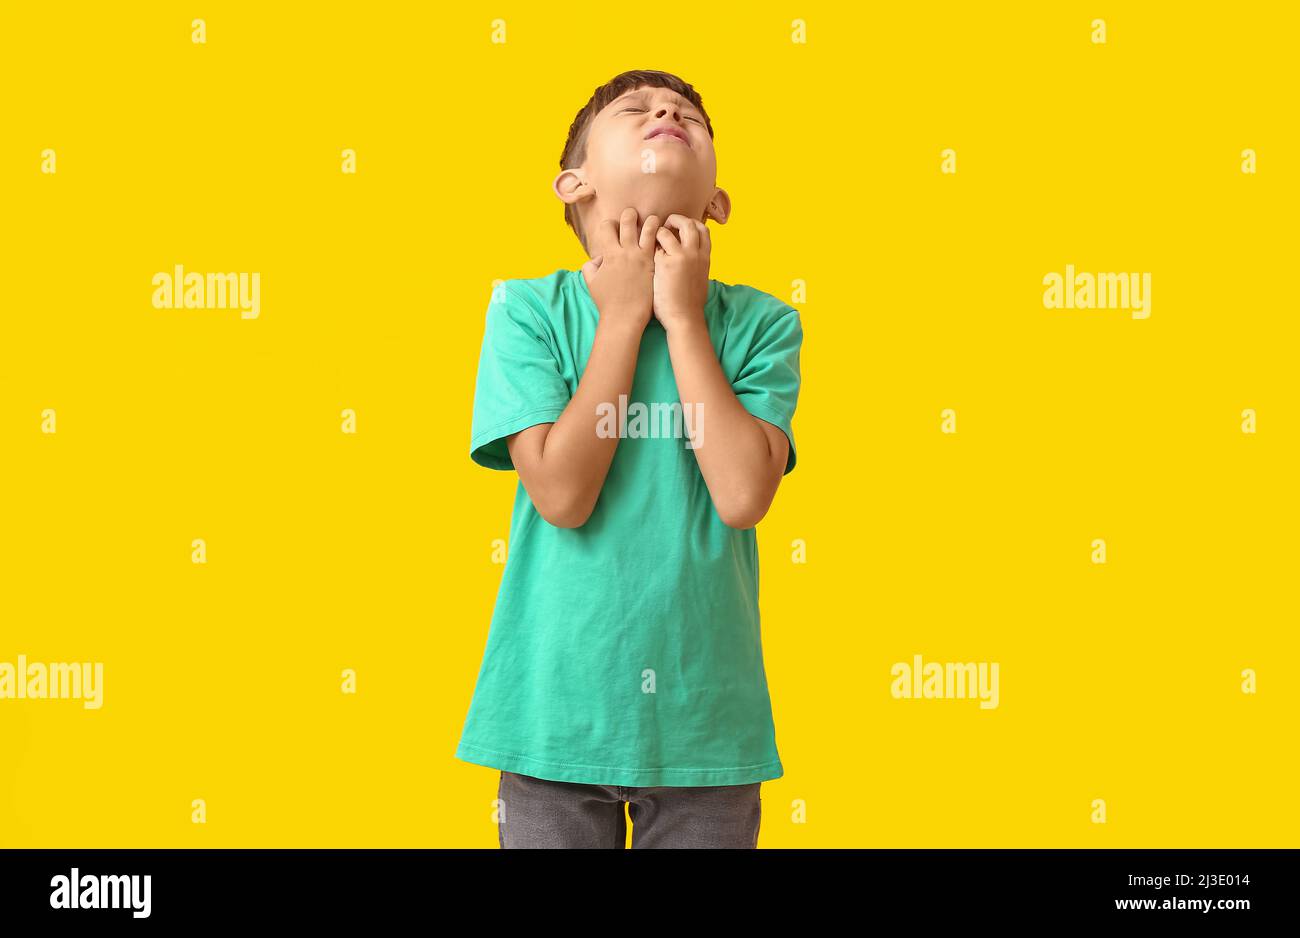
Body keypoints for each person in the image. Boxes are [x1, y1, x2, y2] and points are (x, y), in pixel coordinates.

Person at [456, 69, 803, 848]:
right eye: (637, 110)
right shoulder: (527, 311)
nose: (669, 113)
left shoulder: (762, 323)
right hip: (552, 717)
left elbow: (745, 494)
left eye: (687, 114)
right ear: (572, 185)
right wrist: (621, 318)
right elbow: (562, 495)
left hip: (706, 726)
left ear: (717, 201)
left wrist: (681, 317)